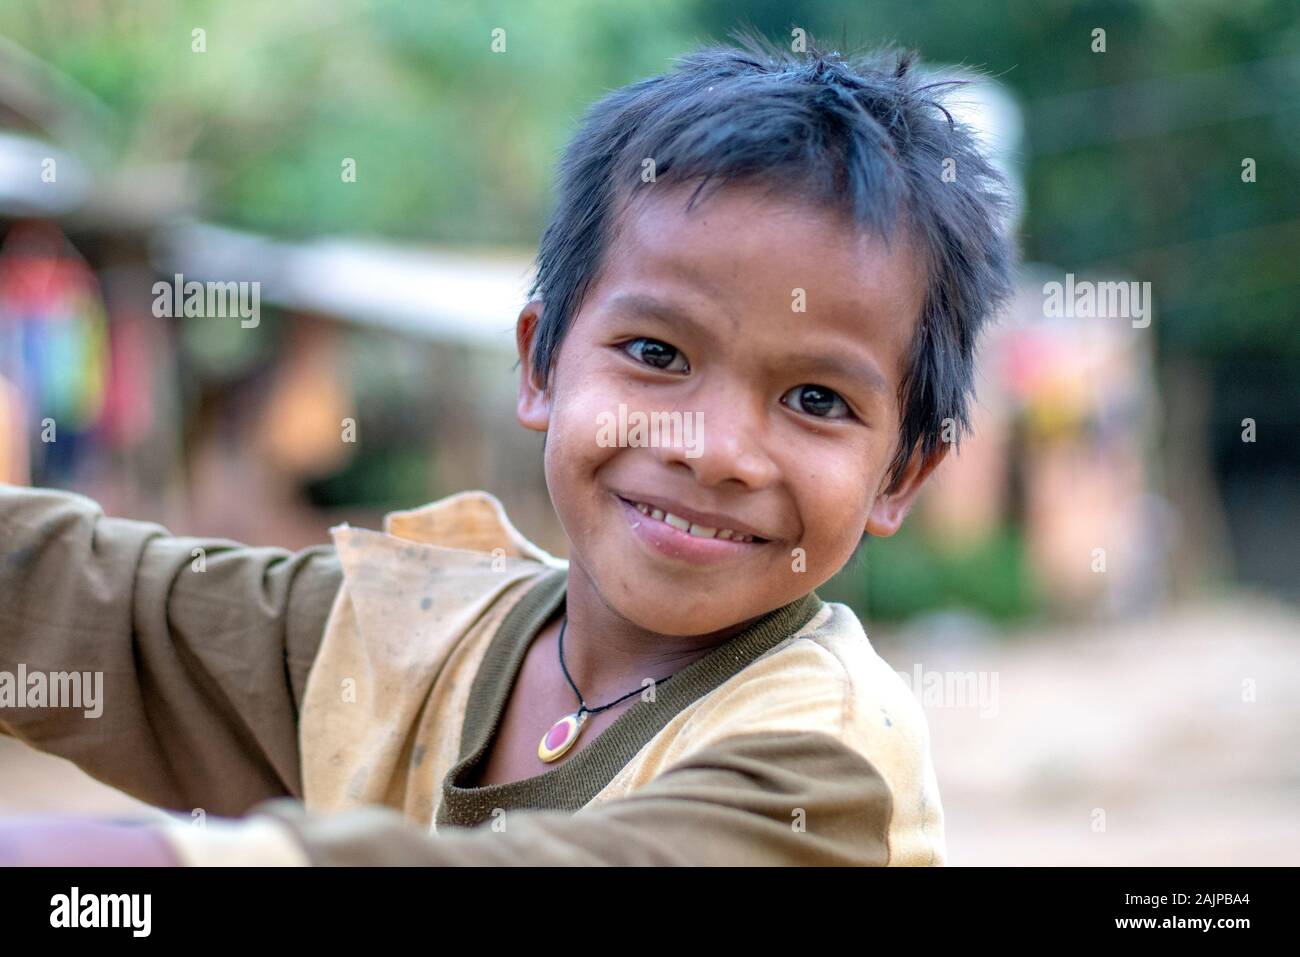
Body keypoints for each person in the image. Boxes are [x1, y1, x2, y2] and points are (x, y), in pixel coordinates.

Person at [0, 32, 1014, 865]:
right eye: (657, 352)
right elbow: (91, 608)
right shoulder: (410, 636)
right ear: (540, 368)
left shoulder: (823, 758)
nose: (714, 451)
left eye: (814, 399)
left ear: (902, 473)